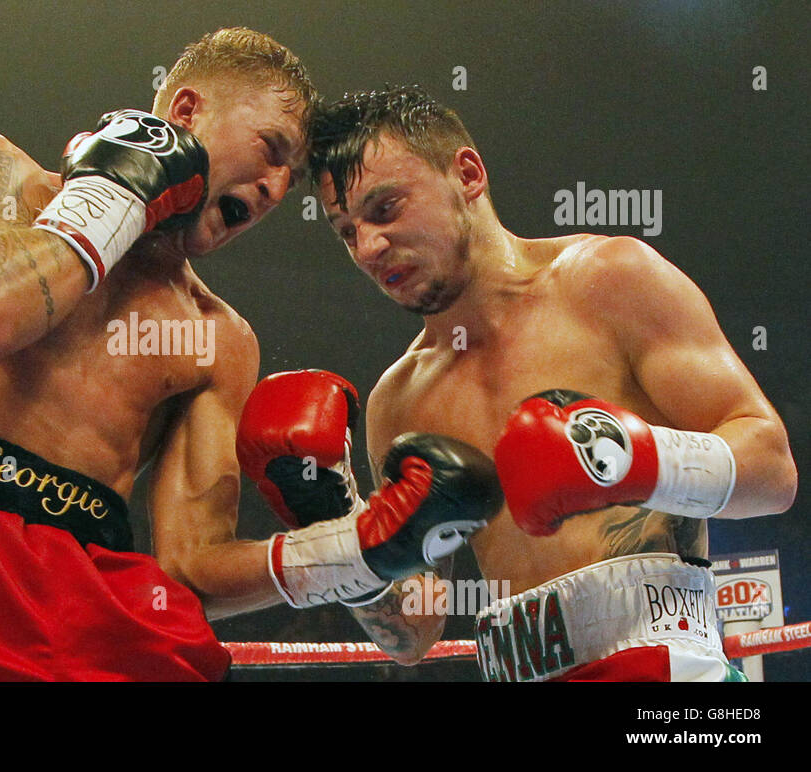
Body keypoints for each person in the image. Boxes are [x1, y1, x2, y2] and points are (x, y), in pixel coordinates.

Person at [0, 29, 498, 681]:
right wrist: (117, 190)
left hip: (98, 598)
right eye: (268, 149)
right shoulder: (1, 178)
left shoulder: (216, 336)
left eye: (285, 181)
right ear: (183, 111)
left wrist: (353, 545)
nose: (270, 187)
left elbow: (190, 570)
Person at [300, 85, 797, 681]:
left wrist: (630, 460)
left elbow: (773, 471)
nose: (369, 247)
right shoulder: (399, 401)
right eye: (346, 231)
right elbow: (412, 630)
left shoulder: (609, 282)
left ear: (467, 174)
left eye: (385, 209)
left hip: (666, 668)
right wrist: (327, 515)